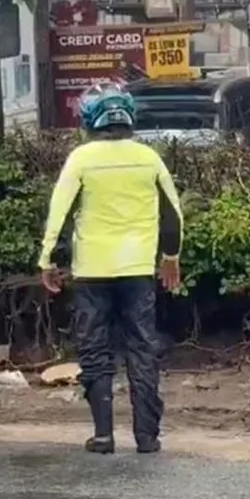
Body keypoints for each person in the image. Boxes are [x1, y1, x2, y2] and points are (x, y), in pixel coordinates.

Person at [39, 82, 184, 455]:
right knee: (142, 348)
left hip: (92, 271)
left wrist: (48, 261)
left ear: (90, 120)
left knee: (95, 349)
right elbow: (172, 215)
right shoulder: (148, 158)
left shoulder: (81, 159)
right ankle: (147, 437)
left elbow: (59, 214)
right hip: (138, 269)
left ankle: (103, 435)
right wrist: (171, 257)